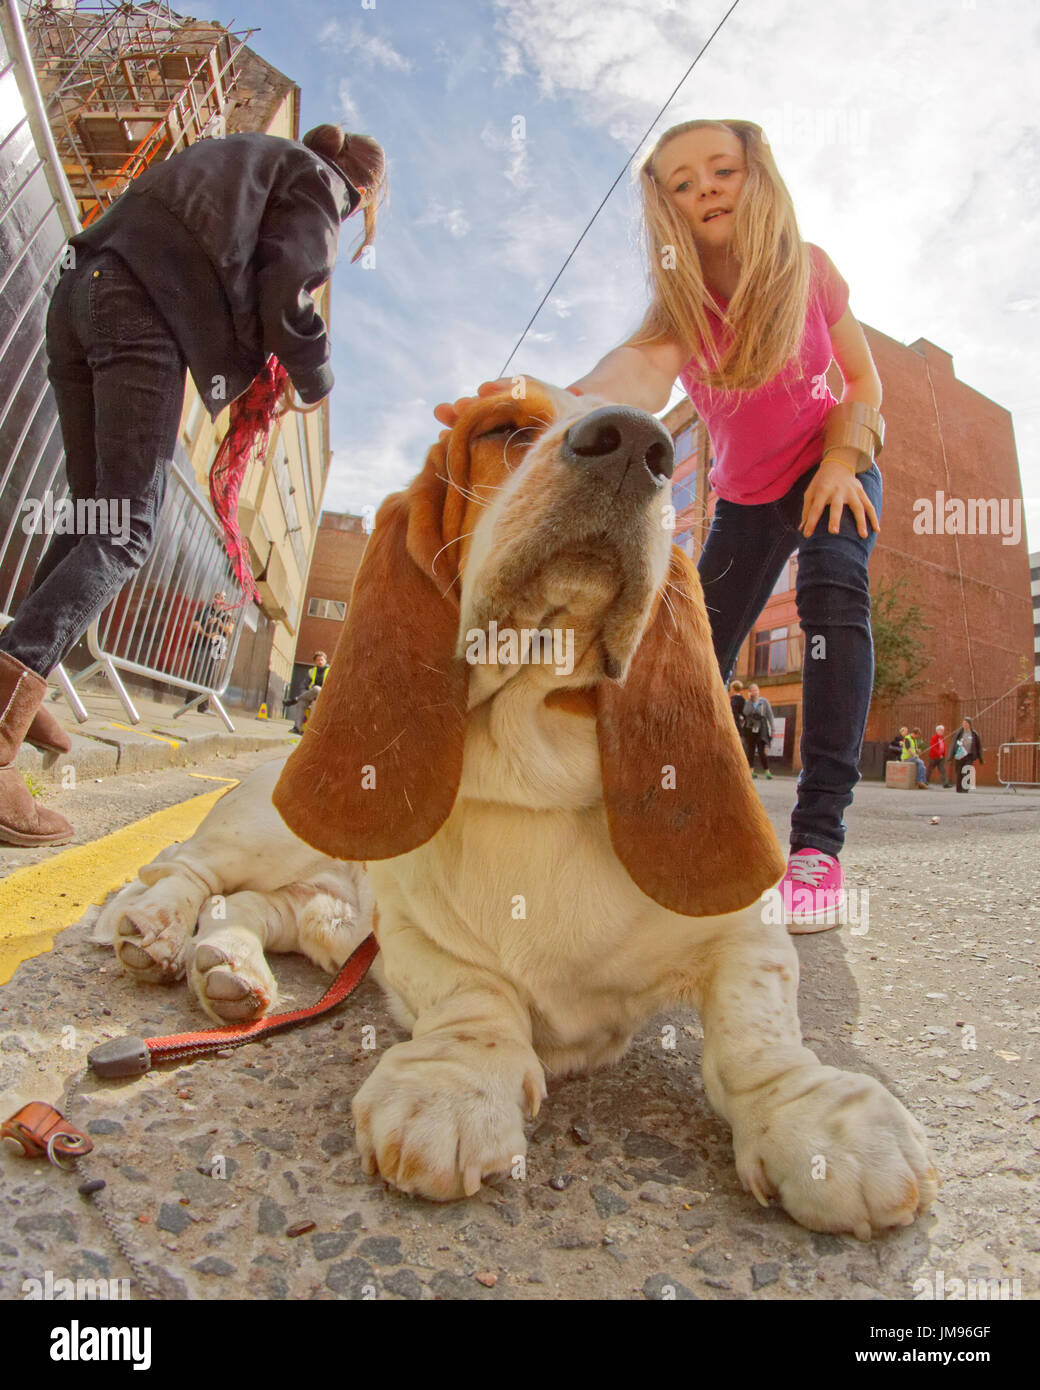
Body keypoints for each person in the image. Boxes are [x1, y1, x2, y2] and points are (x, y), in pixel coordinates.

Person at [436, 119, 885, 932]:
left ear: (758, 176)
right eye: (681, 183)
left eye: (721, 169)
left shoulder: (810, 271)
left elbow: (864, 377)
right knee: (682, 651)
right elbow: (631, 375)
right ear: (665, 210)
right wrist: (542, 402)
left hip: (832, 466)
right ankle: (642, 810)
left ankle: (818, 845)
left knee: (833, 594)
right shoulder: (684, 308)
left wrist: (844, 460)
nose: (704, 187)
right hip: (747, 497)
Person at [0, 124, 386, 848]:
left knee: (97, 516)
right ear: (358, 189)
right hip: (143, 312)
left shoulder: (250, 153)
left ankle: (28, 669)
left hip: (80, 289)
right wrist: (315, 379)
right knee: (127, 531)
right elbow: (291, 284)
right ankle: (4, 711)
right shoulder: (318, 184)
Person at [189, 589, 235, 713]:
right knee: (196, 673)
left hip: (217, 648)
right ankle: (188, 703)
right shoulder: (205, 611)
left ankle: (204, 707)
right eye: (218, 596)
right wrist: (205, 633)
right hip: (202, 645)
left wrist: (219, 622)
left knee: (211, 677)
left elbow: (229, 631)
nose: (220, 598)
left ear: (225, 600)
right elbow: (194, 624)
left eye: (222, 597)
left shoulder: (227, 615)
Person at [290, 650, 330, 735]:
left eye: (322, 659)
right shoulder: (311, 671)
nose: (320, 661)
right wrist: (305, 694)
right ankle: (297, 728)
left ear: (325, 660)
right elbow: (303, 686)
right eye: (318, 660)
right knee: (301, 702)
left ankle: (309, 731)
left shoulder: (331, 671)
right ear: (315, 661)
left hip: (324, 696)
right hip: (311, 695)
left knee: (317, 689)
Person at [742, 682, 774, 779]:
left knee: (761, 750)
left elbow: (770, 715)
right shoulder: (748, 702)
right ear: (750, 692)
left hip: (761, 727)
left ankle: (767, 771)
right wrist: (750, 700)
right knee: (750, 749)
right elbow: (745, 712)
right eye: (753, 691)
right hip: (750, 727)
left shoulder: (764, 701)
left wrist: (773, 728)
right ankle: (751, 771)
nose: (755, 692)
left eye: (756, 690)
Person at [949, 716, 984, 793]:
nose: (964, 724)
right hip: (959, 754)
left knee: (967, 770)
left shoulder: (974, 733)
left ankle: (965, 789)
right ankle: (959, 789)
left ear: (969, 724)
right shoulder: (959, 733)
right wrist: (950, 756)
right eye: (963, 723)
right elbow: (953, 744)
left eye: (966, 723)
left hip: (969, 755)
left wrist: (981, 758)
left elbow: (979, 746)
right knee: (959, 772)